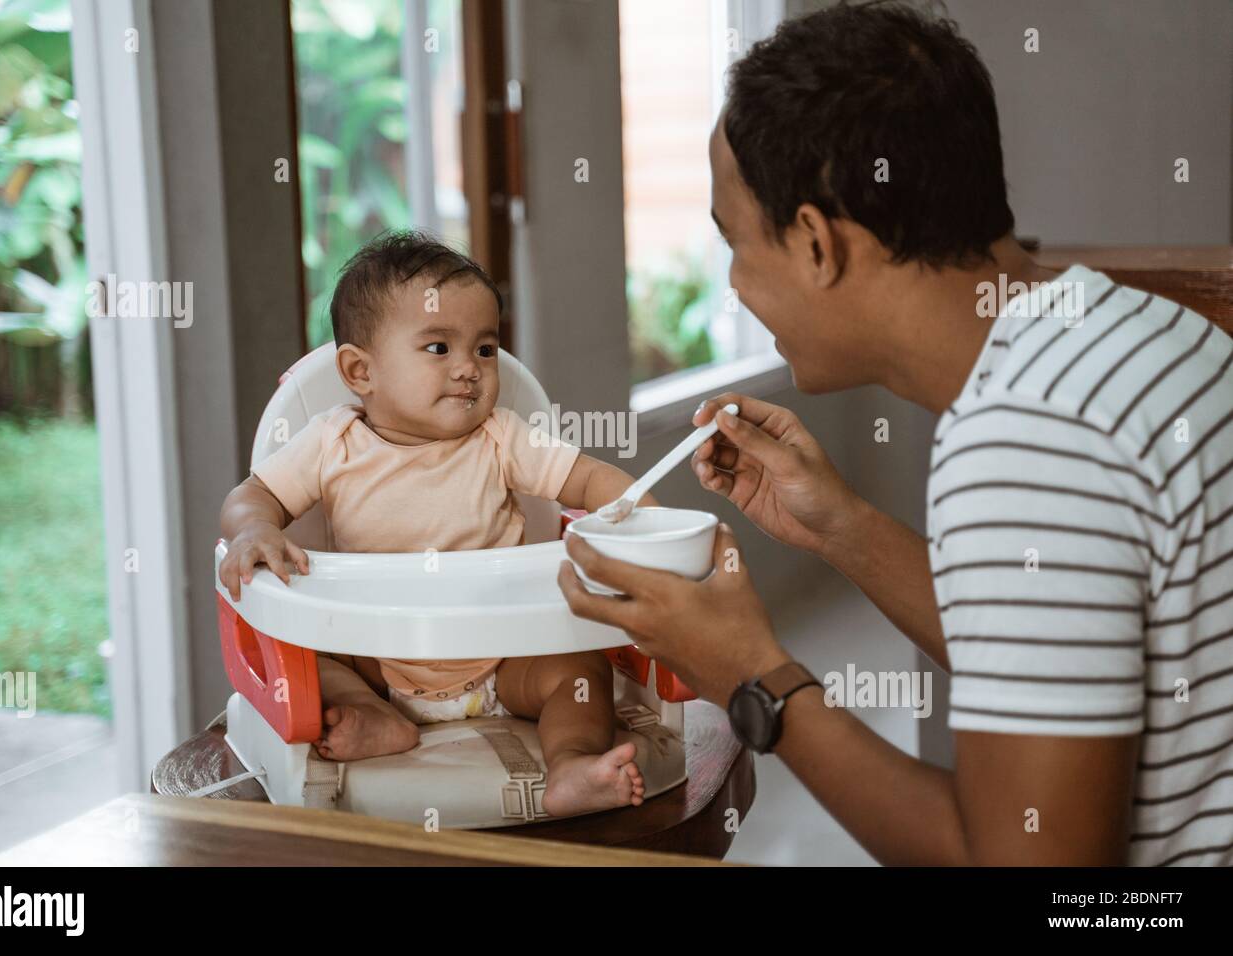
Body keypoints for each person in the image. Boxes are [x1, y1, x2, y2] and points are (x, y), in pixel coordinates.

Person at [557, 1, 1233, 865]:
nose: (734, 285)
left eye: (735, 244)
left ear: (814, 244)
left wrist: (753, 679)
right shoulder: (1131, 330)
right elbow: (1067, 652)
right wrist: (838, 526)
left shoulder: (1024, 440)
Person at [218, 231, 654, 817]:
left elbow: (588, 479)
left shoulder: (501, 437)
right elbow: (257, 494)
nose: (468, 370)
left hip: (502, 659)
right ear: (360, 370)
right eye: (438, 348)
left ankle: (571, 764)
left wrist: (642, 515)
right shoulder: (331, 442)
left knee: (579, 673)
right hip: (374, 661)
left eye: (484, 349)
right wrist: (253, 530)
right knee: (311, 653)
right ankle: (378, 718)